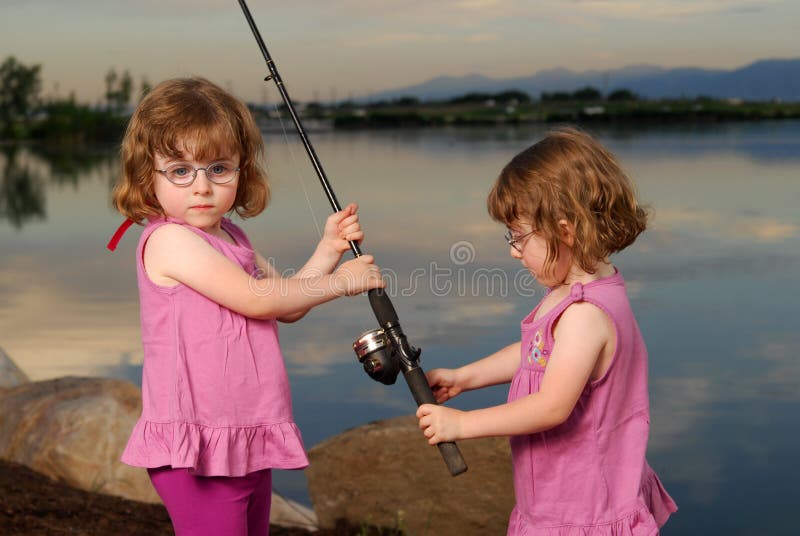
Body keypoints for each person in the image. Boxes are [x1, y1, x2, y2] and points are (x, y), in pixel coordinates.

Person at [109, 77, 384, 535]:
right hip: (198, 444)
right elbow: (258, 300)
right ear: (146, 177)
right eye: (180, 170)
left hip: (244, 435)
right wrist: (341, 283)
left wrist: (328, 250)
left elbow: (288, 304)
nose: (201, 187)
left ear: (242, 170)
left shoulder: (232, 237)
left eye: (218, 169)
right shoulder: (170, 240)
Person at [416, 127, 677, 534]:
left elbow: (551, 407)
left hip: (584, 509)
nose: (513, 250)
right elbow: (535, 351)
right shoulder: (569, 292)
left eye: (519, 237)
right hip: (557, 497)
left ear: (565, 231)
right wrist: (465, 377)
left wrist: (462, 425)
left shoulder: (585, 314)